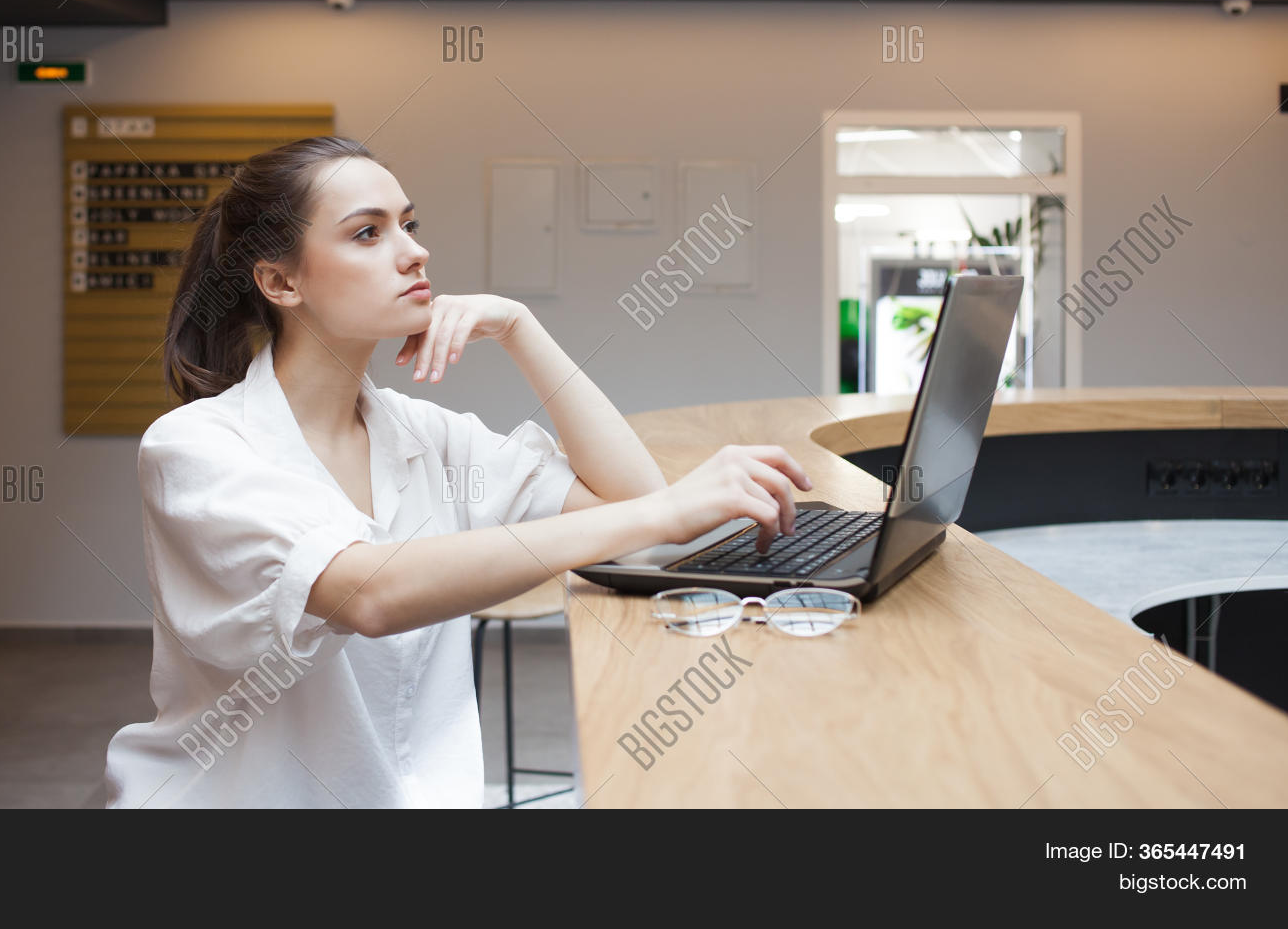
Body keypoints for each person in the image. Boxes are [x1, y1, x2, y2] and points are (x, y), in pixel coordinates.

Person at [102, 136, 812, 807]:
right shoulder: (195, 449)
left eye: (408, 224)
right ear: (281, 282)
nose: (415, 252)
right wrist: (664, 513)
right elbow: (368, 595)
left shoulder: (422, 435)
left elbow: (631, 504)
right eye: (368, 233)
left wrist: (520, 329)